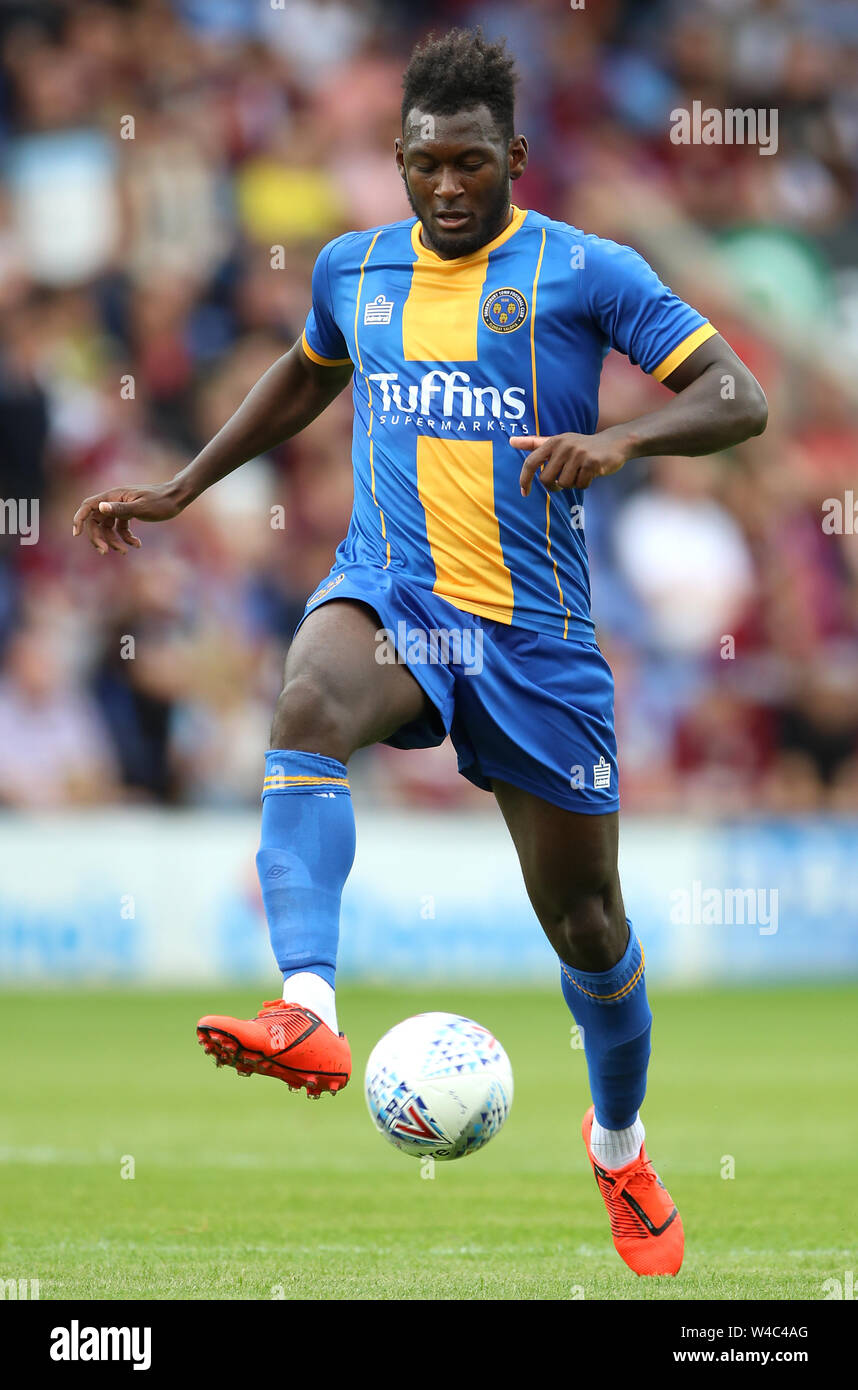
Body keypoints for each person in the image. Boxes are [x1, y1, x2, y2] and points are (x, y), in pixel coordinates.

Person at [72, 29, 767, 1277]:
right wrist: (182, 485)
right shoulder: (355, 267)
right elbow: (305, 373)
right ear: (395, 158)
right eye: (425, 163)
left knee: (589, 924)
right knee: (306, 702)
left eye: (471, 164)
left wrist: (621, 443)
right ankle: (310, 1008)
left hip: (536, 635)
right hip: (396, 590)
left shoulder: (587, 270)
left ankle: (619, 1148)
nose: (447, 187)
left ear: (515, 155)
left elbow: (737, 395)